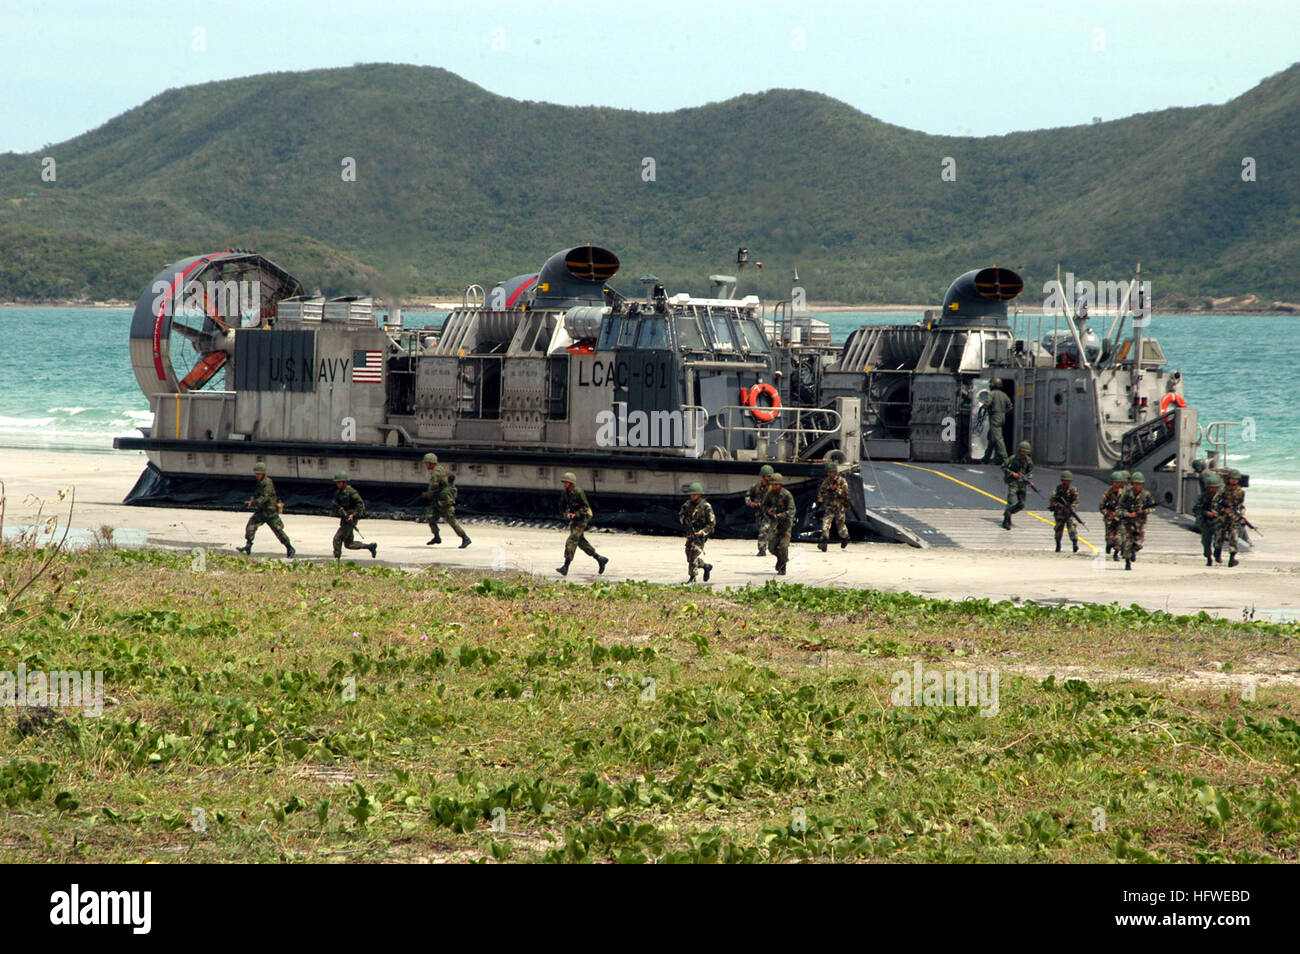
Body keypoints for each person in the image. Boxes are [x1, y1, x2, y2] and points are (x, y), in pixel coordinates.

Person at [238, 461, 294, 558]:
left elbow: (265, 497)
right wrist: (250, 501)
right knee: (251, 526)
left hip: (270, 512)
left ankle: (290, 548)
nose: (257, 475)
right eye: (256, 474)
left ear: (263, 473)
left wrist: (253, 503)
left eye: (259, 474)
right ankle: (248, 546)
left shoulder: (267, 483)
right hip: (261, 511)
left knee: (278, 531)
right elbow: (257, 495)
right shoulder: (260, 483)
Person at [556, 472, 608, 577]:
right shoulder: (565, 493)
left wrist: (576, 514)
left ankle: (565, 567)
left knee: (572, 539)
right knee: (580, 542)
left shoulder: (578, 492)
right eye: (564, 482)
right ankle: (600, 559)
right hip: (575, 518)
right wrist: (564, 513)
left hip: (583, 518)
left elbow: (585, 507)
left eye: (566, 482)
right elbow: (561, 504)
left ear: (571, 483)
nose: (564, 484)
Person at [420, 452, 471, 549]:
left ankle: (465, 538)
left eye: (426, 463)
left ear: (431, 463)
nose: (425, 465)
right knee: (430, 516)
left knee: (450, 519)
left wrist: (427, 494)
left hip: (443, 499)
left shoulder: (436, 472)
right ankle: (436, 537)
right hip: (440, 499)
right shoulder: (441, 469)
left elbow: (433, 487)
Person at [332, 470, 376, 561]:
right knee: (349, 544)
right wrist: (339, 511)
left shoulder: (351, 492)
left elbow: (360, 505)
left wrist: (353, 515)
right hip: (344, 519)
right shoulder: (338, 493)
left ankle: (336, 562)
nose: (337, 484)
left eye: (339, 482)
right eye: (337, 482)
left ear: (344, 482)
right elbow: (334, 505)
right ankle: (370, 546)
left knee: (337, 538)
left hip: (350, 520)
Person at [1118, 471, 1155, 570]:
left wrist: (1143, 511)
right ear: (1132, 484)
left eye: (1139, 484)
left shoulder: (1146, 495)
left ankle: (1133, 551)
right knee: (1127, 542)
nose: (1137, 486)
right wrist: (1128, 514)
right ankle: (1127, 561)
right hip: (1128, 522)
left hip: (1140, 522)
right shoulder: (1126, 494)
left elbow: (1152, 507)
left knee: (1139, 543)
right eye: (1136, 484)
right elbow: (1119, 508)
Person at [678, 482, 715, 583]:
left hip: (700, 536)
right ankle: (706, 566)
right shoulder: (687, 505)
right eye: (691, 494)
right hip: (690, 534)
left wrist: (702, 532)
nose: (692, 496)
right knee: (689, 557)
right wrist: (684, 520)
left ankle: (692, 578)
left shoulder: (706, 506)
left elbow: (711, 524)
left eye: (694, 494)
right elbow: (681, 515)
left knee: (693, 554)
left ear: (699, 494)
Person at [1212, 469, 1246, 567]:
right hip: (1222, 518)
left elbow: (1241, 505)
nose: (1234, 481)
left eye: (1236, 479)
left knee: (1234, 538)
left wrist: (1242, 515)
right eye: (1232, 479)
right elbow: (1214, 502)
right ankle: (1217, 553)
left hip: (1233, 518)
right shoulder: (1223, 489)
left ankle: (1232, 559)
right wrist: (1222, 509)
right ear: (1229, 479)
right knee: (1219, 537)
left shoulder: (1241, 492)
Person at [764, 473, 797, 575]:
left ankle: (783, 565)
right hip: (775, 523)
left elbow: (792, 510)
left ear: (780, 484)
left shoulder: (787, 495)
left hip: (786, 523)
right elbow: (765, 505)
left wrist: (782, 514)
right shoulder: (770, 494)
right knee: (771, 547)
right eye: (773, 484)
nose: (774, 487)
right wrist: (768, 511)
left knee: (783, 546)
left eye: (776, 484)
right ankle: (780, 558)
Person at [816, 461, 850, 551]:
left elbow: (846, 493)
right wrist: (820, 499)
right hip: (830, 505)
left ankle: (845, 538)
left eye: (831, 472)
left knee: (841, 526)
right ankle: (824, 542)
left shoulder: (841, 481)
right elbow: (821, 492)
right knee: (825, 524)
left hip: (840, 506)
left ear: (835, 472)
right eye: (828, 472)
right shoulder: (826, 481)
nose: (830, 474)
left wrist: (836, 490)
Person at [1001, 441, 1034, 530]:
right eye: (1023, 451)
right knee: (1011, 501)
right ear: (1019, 451)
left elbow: (1030, 472)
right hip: (1013, 482)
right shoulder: (1013, 458)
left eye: (1026, 452)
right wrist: (1012, 474)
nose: (1024, 453)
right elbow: (1003, 466)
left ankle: (1008, 512)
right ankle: (1006, 520)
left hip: (1022, 483)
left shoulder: (1028, 461)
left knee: (1021, 504)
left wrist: (1029, 481)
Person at [980, 378, 1013, 464]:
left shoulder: (992, 394)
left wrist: (983, 407)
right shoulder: (1004, 395)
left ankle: (1006, 459)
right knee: (992, 438)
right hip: (1002, 417)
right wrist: (1002, 412)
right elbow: (1010, 407)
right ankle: (986, 458)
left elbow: (987, 404)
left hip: (994, 417)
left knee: (998, 438)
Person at [1193, 471, 1222, 567]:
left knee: (1218, 540)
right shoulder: (1203, 497)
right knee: (1206, 542)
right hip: (1206, 522)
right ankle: (1209, 558)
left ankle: (1217, 554)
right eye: (1210, 488)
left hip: (1218, 521)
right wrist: (1206, 513)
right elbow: (1196, 509)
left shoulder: (1221, 497)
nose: (1211, 490)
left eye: (1213, 488)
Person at [746, 465, 775, 556]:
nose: (770, 478)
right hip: (759, 512)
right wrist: (750, 503)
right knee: (762, 530)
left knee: (764, 530)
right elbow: (747, 495)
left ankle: (762, 550)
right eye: (768, 476)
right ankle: (765, 547)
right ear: (763, 476)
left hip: (770, 512)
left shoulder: (774, 487)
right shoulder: (756, 487)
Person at [1049, 470, 1080, 553]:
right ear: (1062, 480)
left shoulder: (1073, 490)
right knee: (1058, 529)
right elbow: (1052, 499)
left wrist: (1071, 508)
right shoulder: (1058, 489)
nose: (1066, 482)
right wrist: (1060, 506)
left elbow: (1076, 501)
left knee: (1072, 529)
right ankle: (1058, 545)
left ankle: (1074, 544)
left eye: (1068, 481)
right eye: (1065, 480)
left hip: (1069, 513)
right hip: (1059, 513)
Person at [1099, 470, 1128, 559]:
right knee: (1110, 538)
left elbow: (1127, 506)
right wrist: (1109, 513)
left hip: (1120, 519)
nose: (1116, 484)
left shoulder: (1124, 494)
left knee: (1120, 537)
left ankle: (1117, 552)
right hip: (1110, 519)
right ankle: (1109, 545)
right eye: (1114, 482)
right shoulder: (1107, 494)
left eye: (1118, 482)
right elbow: (1101, 507)